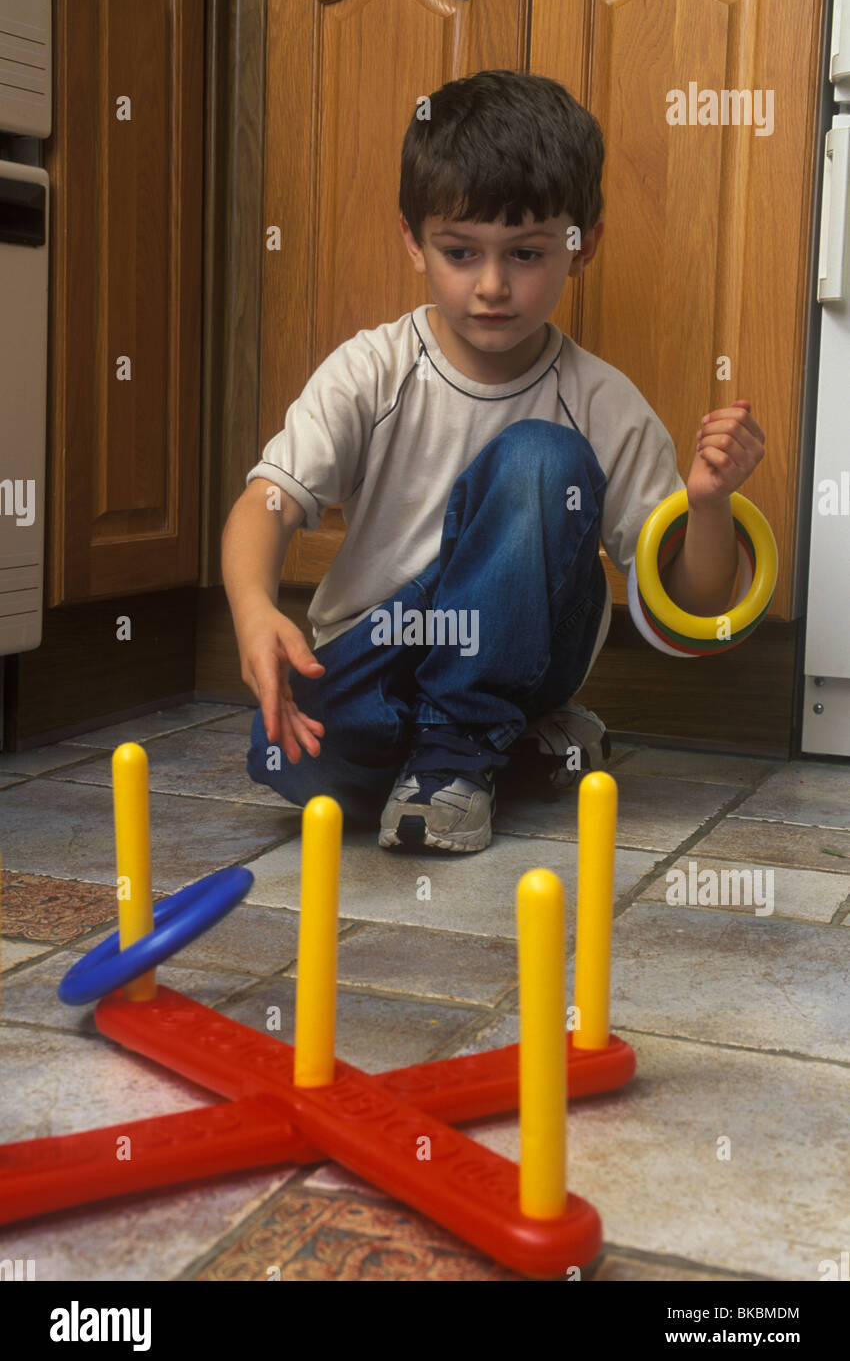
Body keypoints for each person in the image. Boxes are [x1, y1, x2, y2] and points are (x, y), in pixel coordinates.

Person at [221, 70, 765, 854]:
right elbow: (266, 504)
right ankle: (508, 749)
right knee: (290, 762)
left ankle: (459, 752)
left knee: (541, 458)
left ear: (582, 247)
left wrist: (708, 505)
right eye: (460, 251)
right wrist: (251, 610)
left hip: (517, 652)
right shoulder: (372, 370)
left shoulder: (603, 402)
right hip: (379, 652)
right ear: (414, 242)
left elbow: (685, 610)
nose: (491, 286)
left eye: (527, 253)